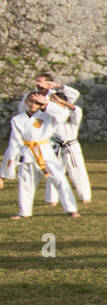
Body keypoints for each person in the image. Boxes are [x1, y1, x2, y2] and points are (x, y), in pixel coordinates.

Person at [2, 91, 80, 219]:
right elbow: (14, 143)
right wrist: (7, 167)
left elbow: (64, 114)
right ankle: (24, 212)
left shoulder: (48, 115)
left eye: (37, 102)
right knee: (25, 184)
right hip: (27, 152)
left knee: (60, 180)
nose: (34, 104)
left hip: (45, 152)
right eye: (31, 101)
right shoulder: (17, 120)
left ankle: (71, 209)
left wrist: (46, 104)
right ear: (26, 102)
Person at [34, 75, 92, 204]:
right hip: (55, 147)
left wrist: (60, 95)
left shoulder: (72, 115)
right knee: (54, 173)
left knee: (78, 172)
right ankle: (51, 199)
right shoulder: (49, 115)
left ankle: (85, 196)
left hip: (71, 147)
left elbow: (76, 107)